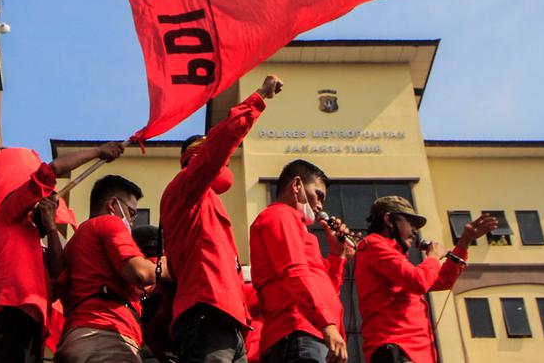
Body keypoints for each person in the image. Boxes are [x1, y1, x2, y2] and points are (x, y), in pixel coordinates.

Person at [161, 74, 284, 363]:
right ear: (197, 157)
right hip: (207, 313)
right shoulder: (186, 189)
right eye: (222, 159)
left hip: (229, 320)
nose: (225, 164)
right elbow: (217, 148)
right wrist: (257, 99)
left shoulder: (205, 202)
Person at [0, 142, 126, 363]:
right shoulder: (7, 217)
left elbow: (59, 275)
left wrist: (51, 228)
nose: (46, 202)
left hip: (33, 330)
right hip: (3, 319)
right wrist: (98, 152)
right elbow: (49, 172)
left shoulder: (38, 246)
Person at [355, 197, 497, 363]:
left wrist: (464, 242)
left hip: (414, 353)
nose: (415, 231)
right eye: (410, 222)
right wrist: (433, 257)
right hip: (397, 349)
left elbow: (443, 280)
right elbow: (418, 282)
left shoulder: (396, 257)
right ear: (388, 219)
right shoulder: (373, 245)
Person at [250, 159, 353, 363]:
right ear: (297, 185)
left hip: (312, 336)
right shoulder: (280, 214)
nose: (320, 205)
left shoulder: (301, 230)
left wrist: (337, 254)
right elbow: (293, 271)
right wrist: (327, 324)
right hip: (297, 334)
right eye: (318, 194)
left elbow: (326, 290)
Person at [56, 175, 157, 362]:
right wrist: (165, 267)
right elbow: (140, 273)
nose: (133, 221)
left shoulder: (75, 243)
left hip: (75, 337)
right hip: (106, 335)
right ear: (113, 205)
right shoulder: (109, 223)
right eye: (132, 212)